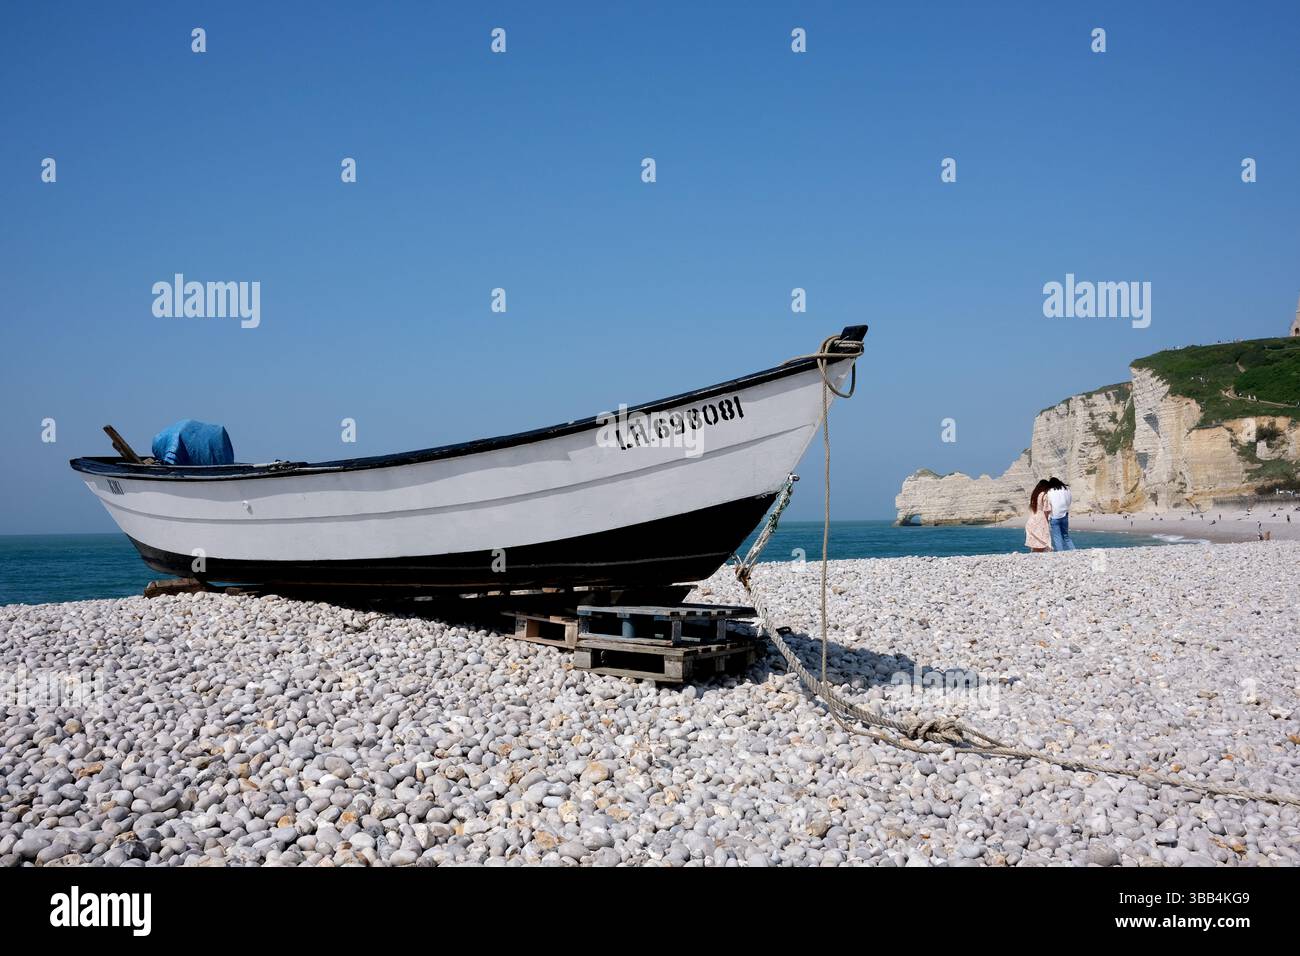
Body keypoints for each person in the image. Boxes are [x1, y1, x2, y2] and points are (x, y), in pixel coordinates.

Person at [1046, 477, 1076, 551]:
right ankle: (1074, 551)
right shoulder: (1066, 489)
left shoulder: (1049, 491)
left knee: (1057, 537)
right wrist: (1066, 508)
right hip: (1064, 514)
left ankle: (1060, 553)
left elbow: (1049, 504)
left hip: (1054, 516)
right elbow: (1069, 500)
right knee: (1066, 536)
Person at [1025, 479, 1052, 552]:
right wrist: (1047, 521)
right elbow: (1046, 510)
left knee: (1035, 543)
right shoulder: (1044, 495)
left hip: (1032, 519)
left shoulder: (1034, 495)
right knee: (1043, 541)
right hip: (1041, 519)